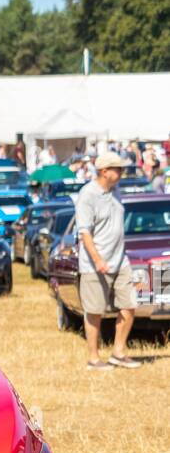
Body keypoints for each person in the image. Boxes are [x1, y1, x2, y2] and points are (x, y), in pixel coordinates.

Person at [74, 153, 141, 370]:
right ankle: (93, 358)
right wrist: (98, 260)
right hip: (95, 264)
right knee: (95, 311)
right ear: (104, 171)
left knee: (129, 305)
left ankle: (118, 353)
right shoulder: (88, 195)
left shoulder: (116, 191)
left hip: (121, 260)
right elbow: (84, 232)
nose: (121, 173)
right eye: (118, 169)